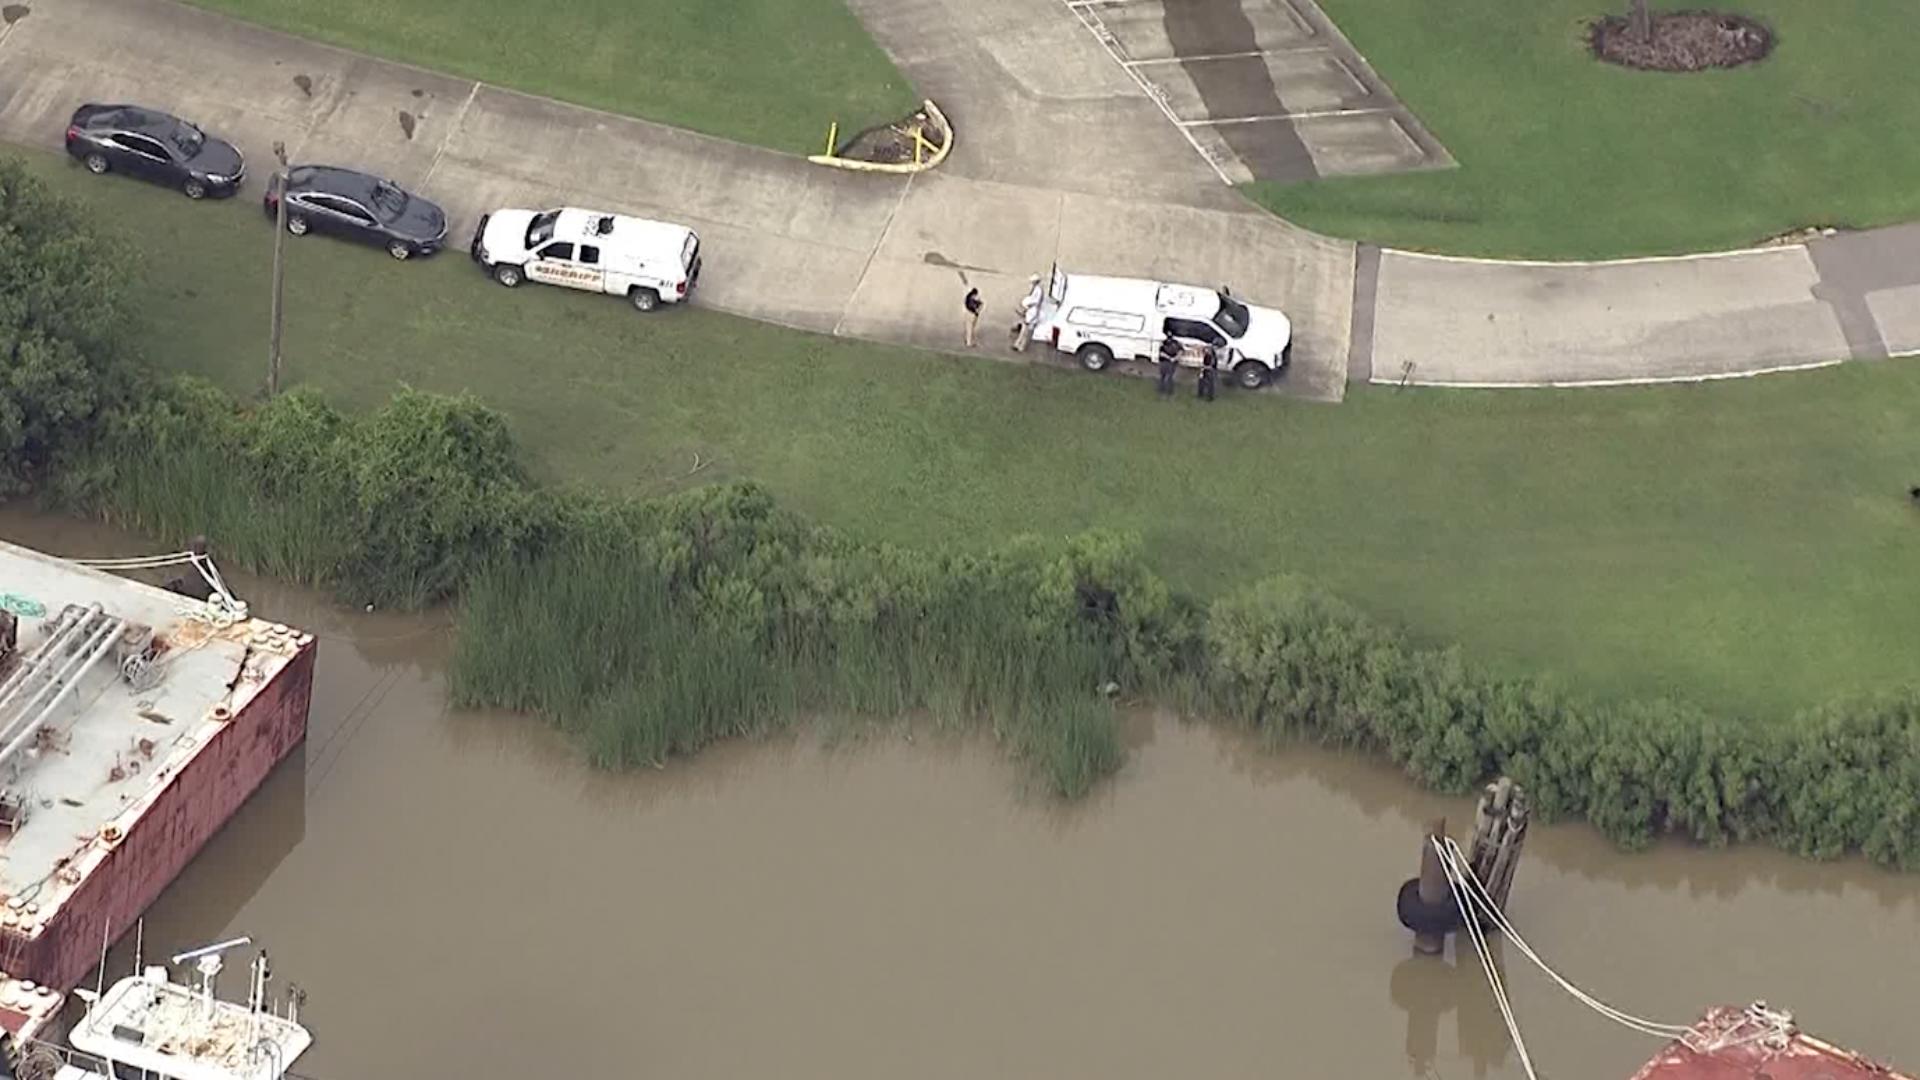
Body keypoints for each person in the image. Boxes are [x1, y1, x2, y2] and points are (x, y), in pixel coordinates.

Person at [1010, 273, 1043, 352]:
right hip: (1030, 311)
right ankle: (1018, 345)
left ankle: (1019, 345)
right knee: (1024, 330)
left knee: (1025, 330)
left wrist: (1027, 305)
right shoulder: (1036, 289)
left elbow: (1036, 301)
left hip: (1032, 312)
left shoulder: (1038, 290)